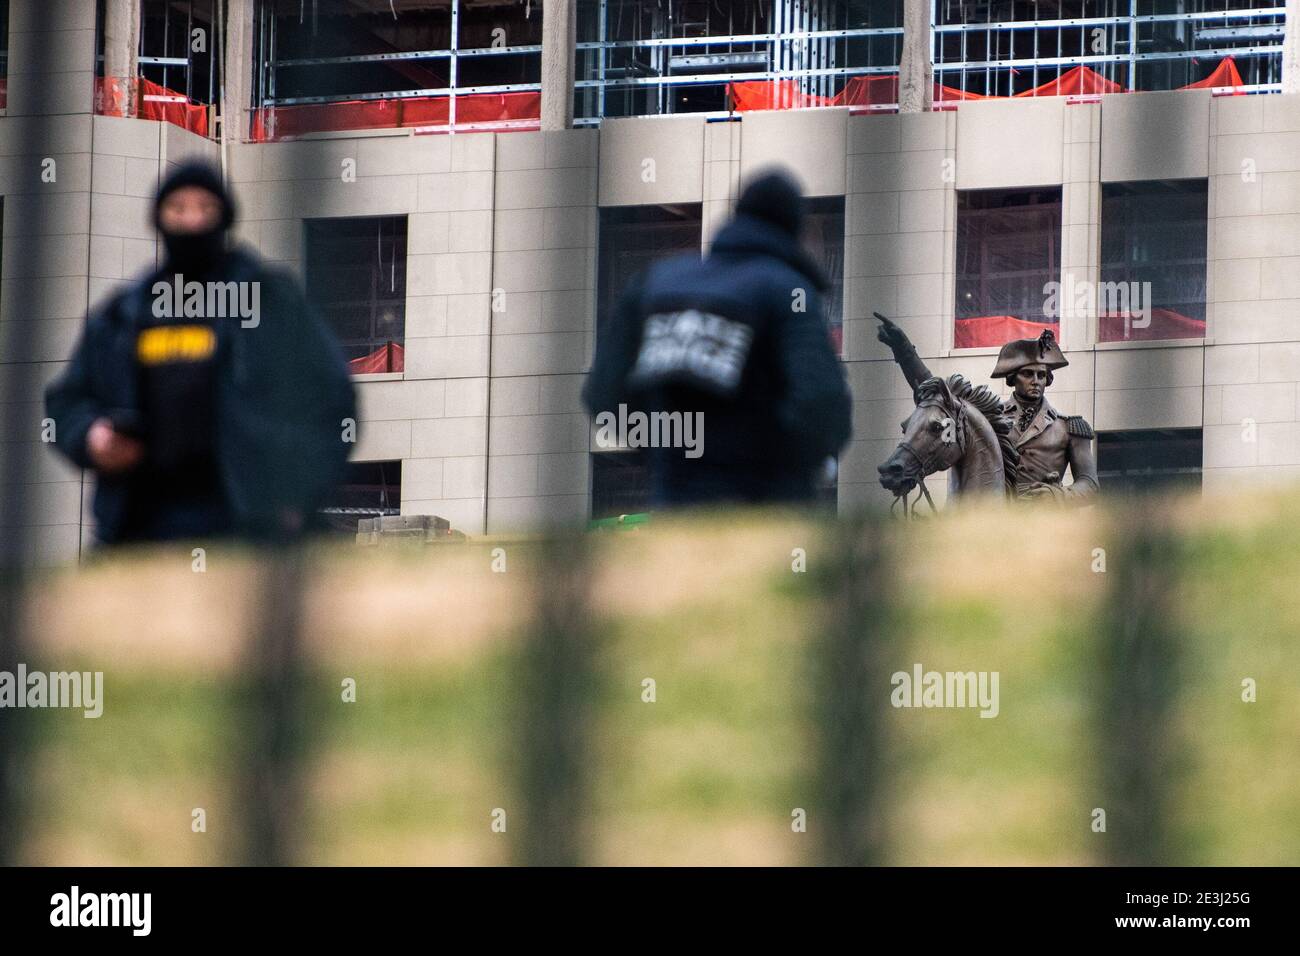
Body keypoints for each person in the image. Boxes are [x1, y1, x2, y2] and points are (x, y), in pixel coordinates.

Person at [45, 161, 357, 546]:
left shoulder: (272, 301)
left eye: (204, 209)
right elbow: (68, 401)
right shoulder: (125, 313)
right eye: (178, 209)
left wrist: (297, 496)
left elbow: (331, 400)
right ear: (158, 217)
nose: (192, 222)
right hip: (144, 525)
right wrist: (92, 436)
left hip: (249, 522)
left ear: (225, 215)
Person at [583, 168, 852, 507]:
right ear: (793, 232)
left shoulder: (657, 282)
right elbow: (823, 406)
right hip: (758, 516)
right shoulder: (785, 290)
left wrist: (670, 452)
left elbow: (603, 393)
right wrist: (777, 470)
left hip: (675, 515)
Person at [877, 316, 1099, 503]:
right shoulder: (988, 419)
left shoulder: (1068, 427)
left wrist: (1058, 496)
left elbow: (1089, 485)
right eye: (1028, 374)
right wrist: (906, 353)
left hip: (1043, 524)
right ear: (1013, 378)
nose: (1036, 381)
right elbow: (942, 397)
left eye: (1041, 375)